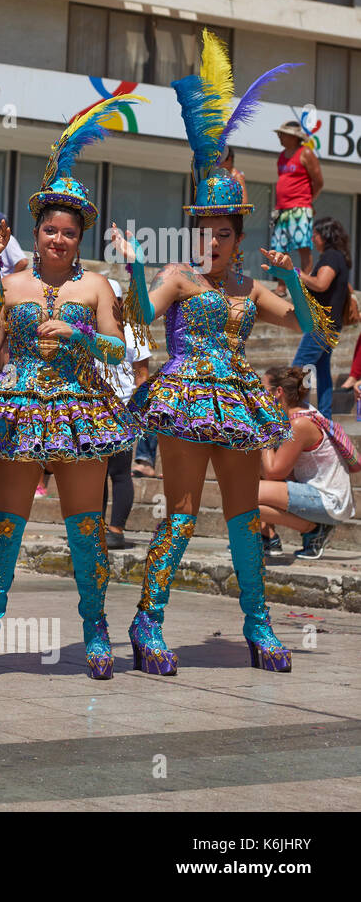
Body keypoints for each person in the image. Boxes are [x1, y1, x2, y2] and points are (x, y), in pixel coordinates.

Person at [121, 39, 333, 676]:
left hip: (238, 403)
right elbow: (139, 314)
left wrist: (293, 278)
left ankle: (258, 625)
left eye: (223, 233)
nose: (211, 241)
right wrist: (134, 270)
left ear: (238, 238)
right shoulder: (182, 277)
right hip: (188, 398)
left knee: (244, 518)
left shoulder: (248, 286)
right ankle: (148, 621)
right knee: (182, 514)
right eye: (204, 230)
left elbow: (307, 322)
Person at [0, 96, 140, 682]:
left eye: (69, 233)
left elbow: (119, 349)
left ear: (79, 236)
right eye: (50, 230)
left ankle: (96, 632)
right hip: (18, 412)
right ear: (36, 232)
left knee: (85, 531)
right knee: (6, 527)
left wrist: (78, 333)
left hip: (80, 409)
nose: (59, 240)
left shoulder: (96, 285)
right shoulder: (10, 282)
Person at [259, 366, 355, 560]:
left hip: (329, 500)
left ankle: (314, 529)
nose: (258, 397)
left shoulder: (300, 423)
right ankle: (267, 537)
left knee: (245, 495)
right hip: (314, 493)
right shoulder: (299, 413)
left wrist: (262, 428)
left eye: (262, 391)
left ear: (278, 393)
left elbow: (273, 473)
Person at [100, 278, 152, 550]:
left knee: (119, 472)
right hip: (92, 411)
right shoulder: (88, 331)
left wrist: (133, 412)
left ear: (120, 303)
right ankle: (95, 529)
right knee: (95, 474)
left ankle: (116, 529)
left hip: (121, 409)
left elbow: (141, 376)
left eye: (112, 301)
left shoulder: (133, 332)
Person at [291, 217, 351, 418]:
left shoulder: (331, 257)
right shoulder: (339, 257)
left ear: (325, 236)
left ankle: (299, 411)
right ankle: (325, 416)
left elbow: (321, 283)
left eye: (314, 235)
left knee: (300, 367)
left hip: (321, 325)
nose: (312, 239)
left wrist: (296, 273)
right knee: (321, 369)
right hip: (331, 325)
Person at [272, 118, 322, 274]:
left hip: (300, 206)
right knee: (279, 248)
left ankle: (304, 286)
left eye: (283, 134)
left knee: (303, 248)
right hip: (281, 208)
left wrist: (308, 200)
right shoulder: (282, 155)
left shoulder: (306, 153)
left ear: (294, 137)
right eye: (280, 133)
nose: (279, 136)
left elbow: (318, 181)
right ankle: (281, 286)